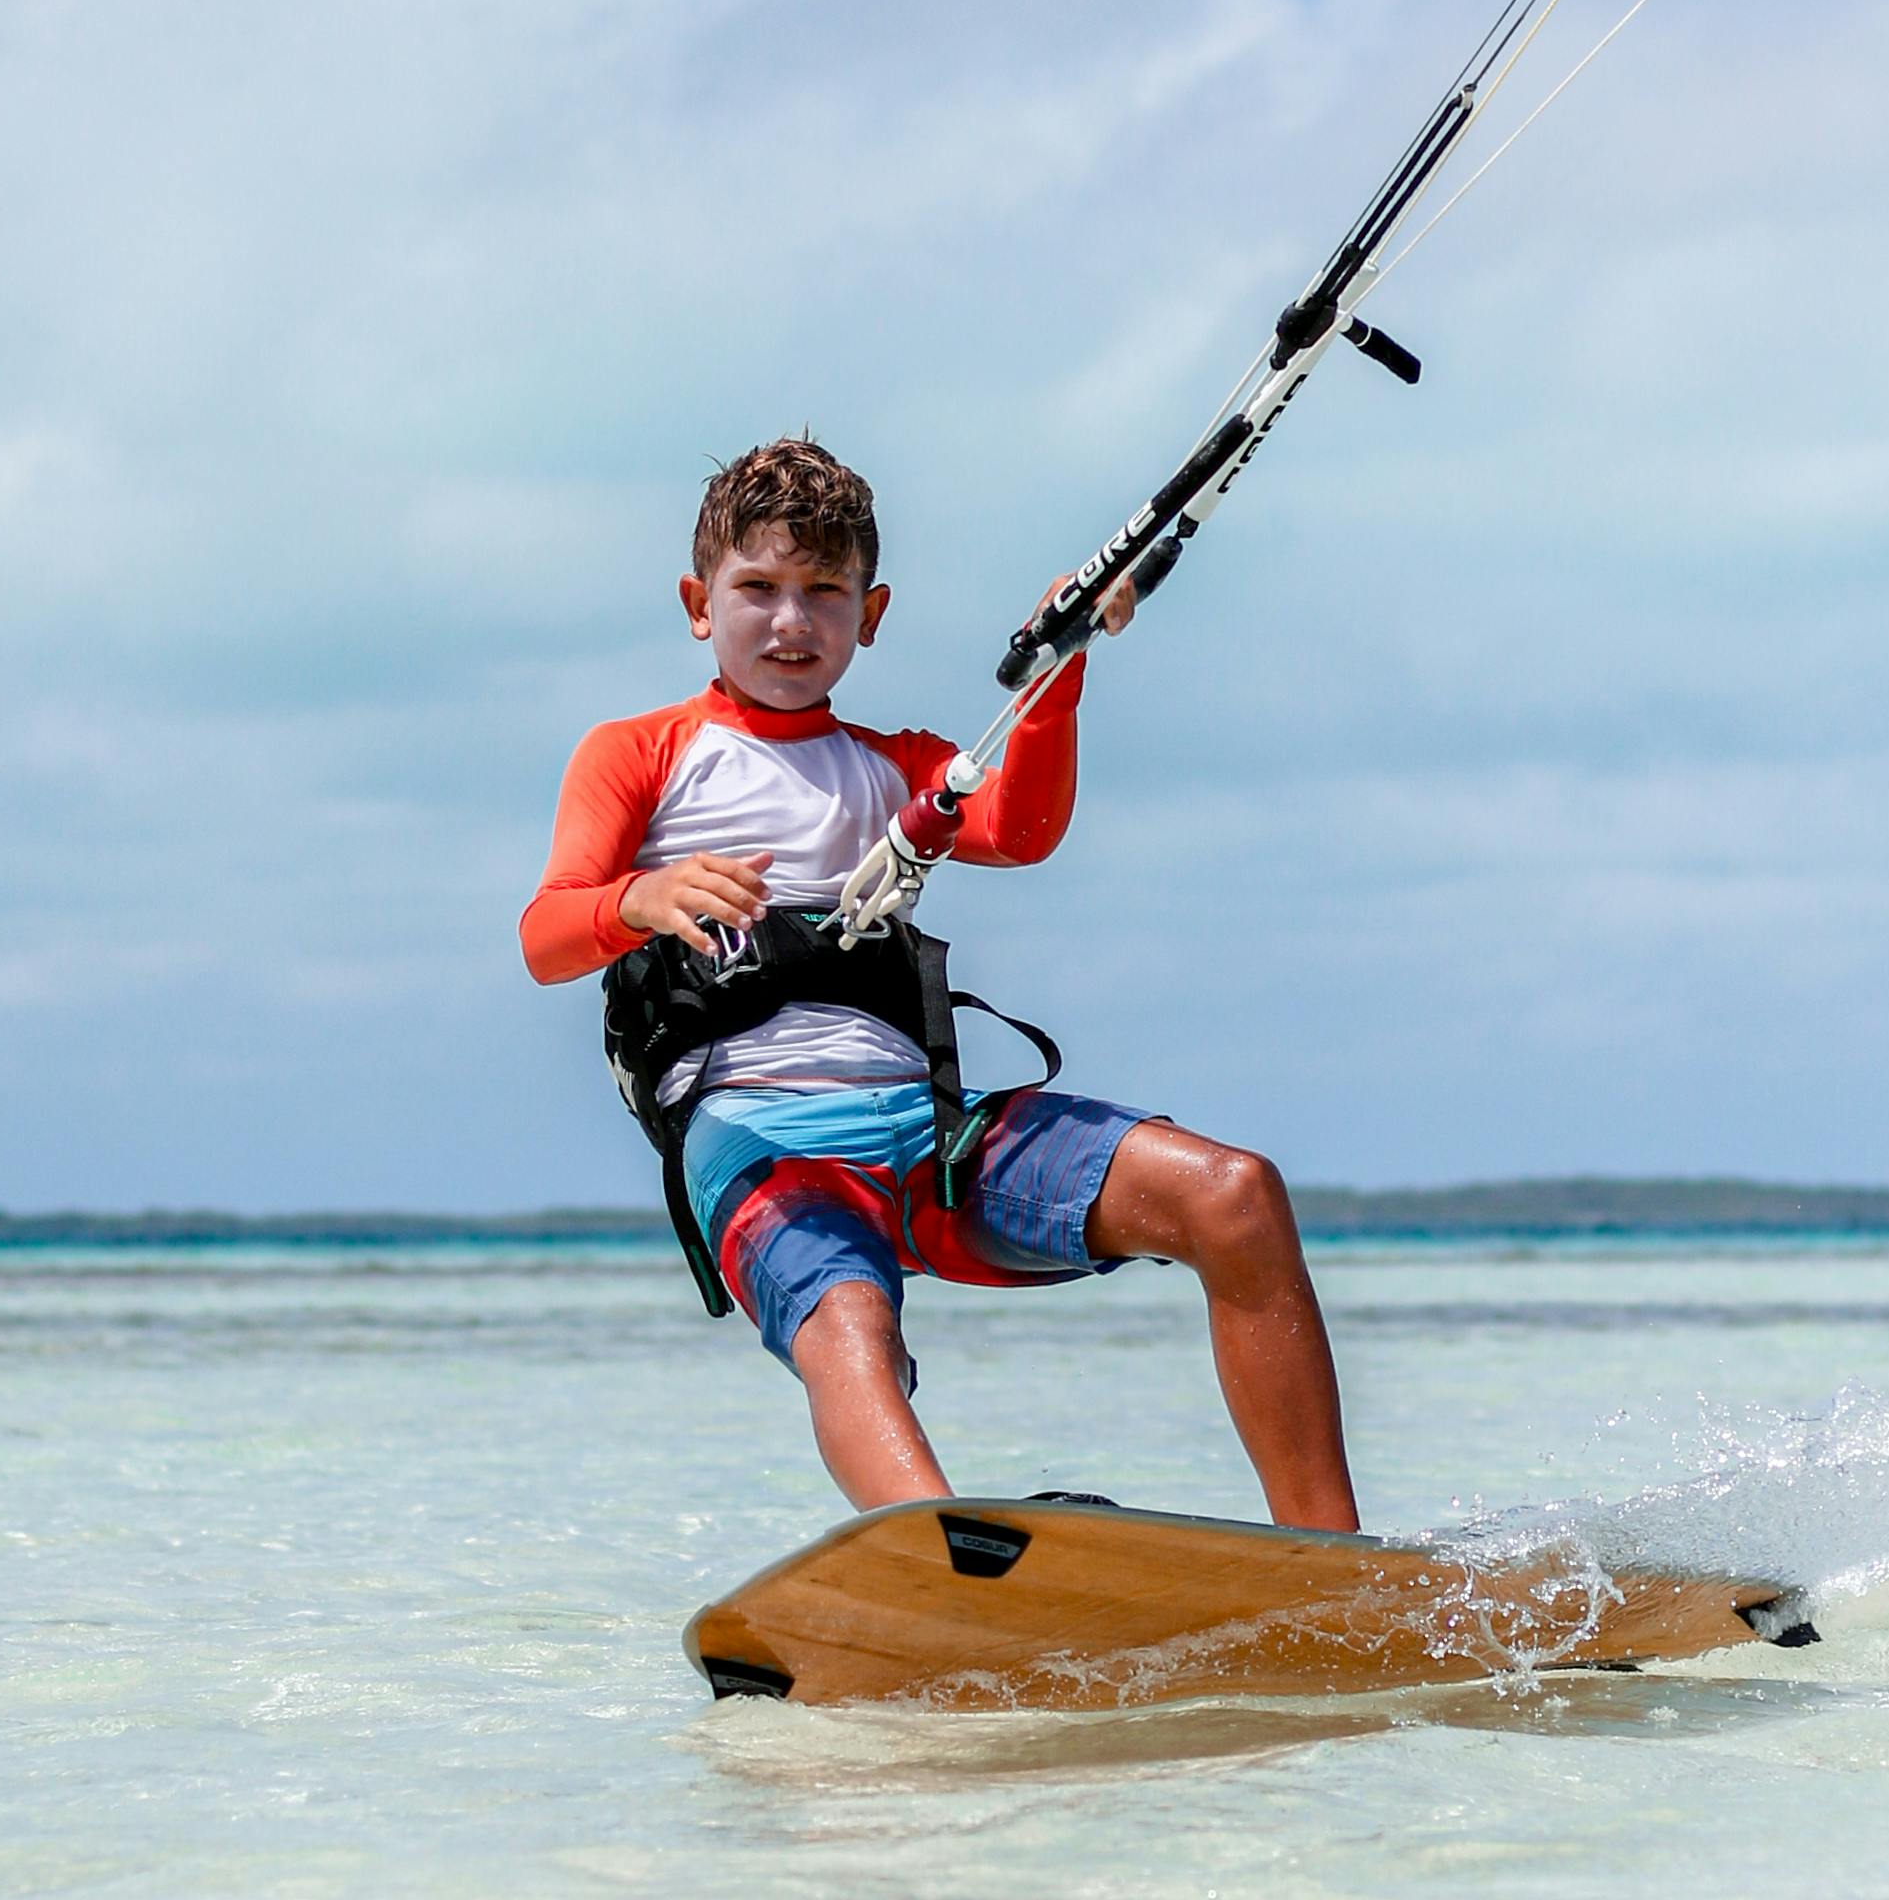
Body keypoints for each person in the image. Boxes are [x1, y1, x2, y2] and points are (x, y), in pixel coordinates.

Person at [522, 433, 1356, 1527]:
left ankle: (1335, 1569)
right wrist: (636, 900)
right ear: (697, 602)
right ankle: (943, 1566)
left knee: (1233, 1196)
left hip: (930, 1141)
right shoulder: (639, 753)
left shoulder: (899, 763)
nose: (790, 622)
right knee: (848, 1327)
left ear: (868, 615)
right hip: (763, 1144)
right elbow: (546, 935)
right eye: (757, 589)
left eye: (825, 593)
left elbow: (1020, 829)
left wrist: (1057, 681)